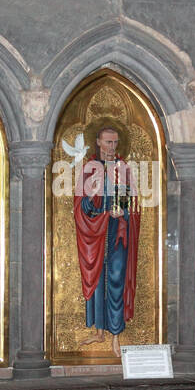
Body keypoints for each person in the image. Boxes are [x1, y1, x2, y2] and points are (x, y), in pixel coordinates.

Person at [73, 125, 139, 357]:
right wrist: (94, 207)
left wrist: (124, 212)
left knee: (116, 279)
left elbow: (131, 201)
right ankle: (99, 331)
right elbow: (80, 205)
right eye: (108, 142)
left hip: (118, 230)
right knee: (98, 279)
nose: (112, 147)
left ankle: (115, 336)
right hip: (96, 231)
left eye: (115, 143)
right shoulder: (89, 170)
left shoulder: (123, 169)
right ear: (99, 143)